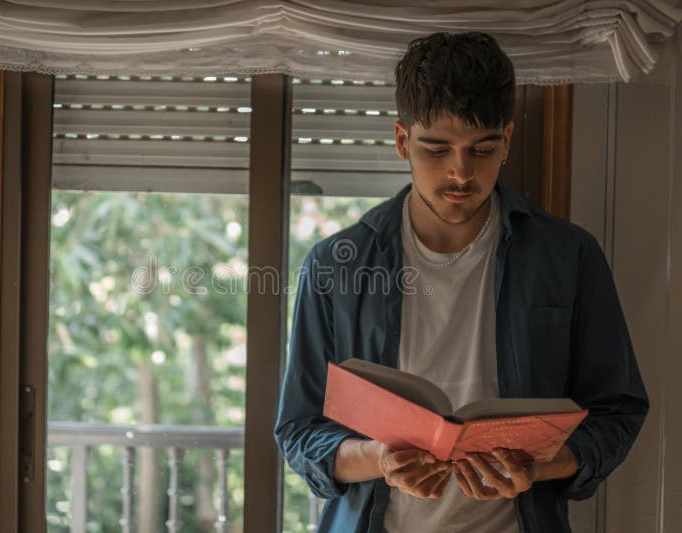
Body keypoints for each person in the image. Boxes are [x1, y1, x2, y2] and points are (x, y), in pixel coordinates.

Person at [274, 32, 649, 533]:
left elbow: (617, 411)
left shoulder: (569, 256)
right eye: (436, 149)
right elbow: (299, 431)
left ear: (508, 140)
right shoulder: (334, 266)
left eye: (483, 149)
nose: (460, 172)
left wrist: (538, 466)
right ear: (402, 140)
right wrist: (379, 458)